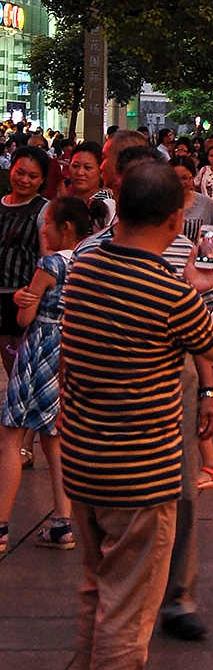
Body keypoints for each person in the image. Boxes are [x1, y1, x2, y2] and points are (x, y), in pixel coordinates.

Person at [61, 160, 213, 670]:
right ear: (176, 219)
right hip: (141, 468)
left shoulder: (86, 267)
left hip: (84, 460)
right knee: (130, 604)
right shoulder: (166, 292)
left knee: (97, 590)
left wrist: (197, 290)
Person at [0, 194, 93, 554]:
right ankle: (62, 523)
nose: (43, 229)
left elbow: (25, 316)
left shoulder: (51, 265)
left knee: (10, 436)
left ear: (64, 228)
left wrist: (22, 298)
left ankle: (1, 525)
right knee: (55, 438)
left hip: (40, 348)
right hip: (68, 351)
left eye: (48, 223)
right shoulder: (87, 261)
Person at [0, 145, 49, 360]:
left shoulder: (44, 210)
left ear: (42, 179)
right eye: (20, 172)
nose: (24, 180)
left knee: (20, 361)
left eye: (33, 176)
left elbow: (47, 258)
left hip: (24, 296)